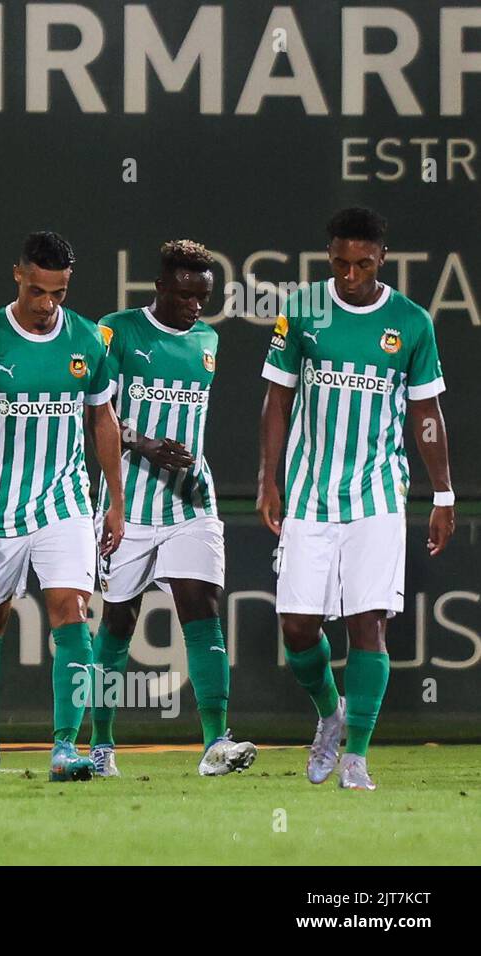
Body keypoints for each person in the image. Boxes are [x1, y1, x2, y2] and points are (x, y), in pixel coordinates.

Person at [257, 207, 454, 790]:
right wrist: (268, 478)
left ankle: (357, 757)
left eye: (362, 263)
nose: (349, 273)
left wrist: (443, 492)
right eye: (340, 262)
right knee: (297, 627)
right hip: (310, 494)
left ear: (381, 259)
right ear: (329, 256)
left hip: (377, 495)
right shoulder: (303, 311)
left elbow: (426, 412)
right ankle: (329, 713)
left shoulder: (411, 322)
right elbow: (276, 398)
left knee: (368, 625)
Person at [0, 231, 124, 783]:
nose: (47, 305)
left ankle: (65, 748)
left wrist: (115, 500)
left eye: (58, 293)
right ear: (18, 275)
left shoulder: (87, 339)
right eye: (38, 291)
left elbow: (103, 418)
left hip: (65, 503)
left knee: (72, 611)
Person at [90, 240, 256, 778]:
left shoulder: (208, 338)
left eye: (202, 297)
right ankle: (101, 744)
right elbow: (93, 411)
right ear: (159, 286)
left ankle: (214, 744)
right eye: (183, 294)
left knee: (203, 610)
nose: (193, 307)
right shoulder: (117, 331)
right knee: (118, 619)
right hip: (129, 503)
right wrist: (142, 443)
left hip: (191, 501)